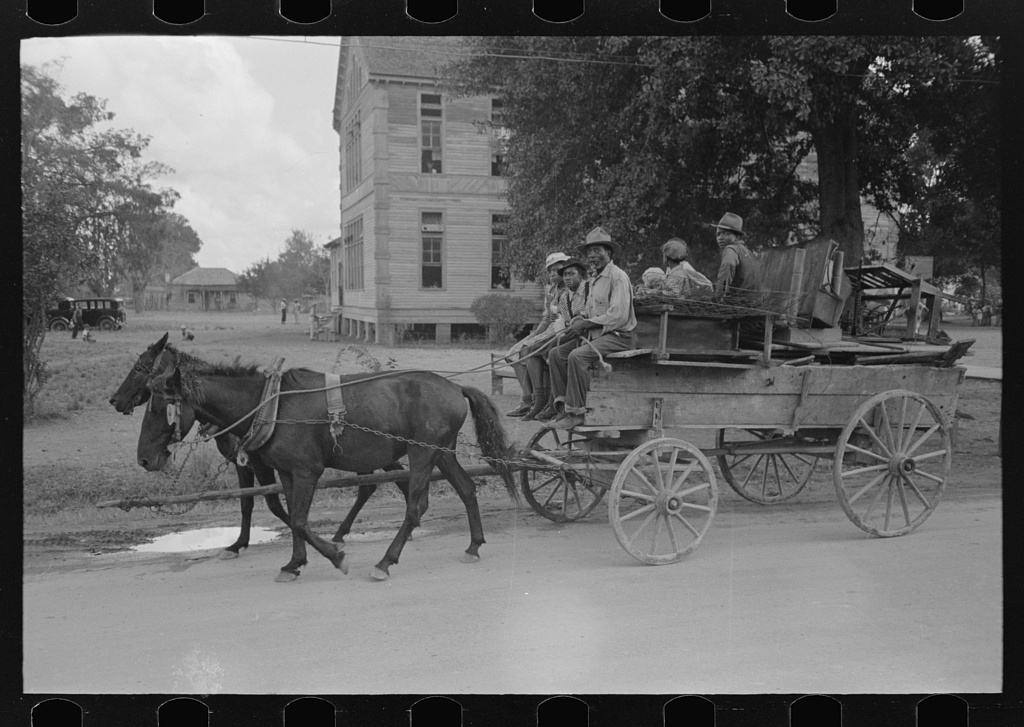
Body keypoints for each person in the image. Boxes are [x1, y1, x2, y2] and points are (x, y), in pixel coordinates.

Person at [548, 226, 637, 430]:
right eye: (589, 252)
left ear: (609, 253)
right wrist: (580, 319)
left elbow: (618, 315)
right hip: (598, 334)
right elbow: (591, 311)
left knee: (577, 356)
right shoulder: (595, 279)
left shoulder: (618, 277)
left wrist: (586, 323)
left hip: (620, 336)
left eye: (597, 251)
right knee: (556, 353)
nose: (592, 256)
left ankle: (576, 412)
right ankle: (563, 406)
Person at [522, 257, 592, 422]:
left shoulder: (589, 289)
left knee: (551, 350)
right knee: (546, 350)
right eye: (565, 274)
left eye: (571, 274)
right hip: (568, 334)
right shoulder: (563, 296)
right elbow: (564, 321)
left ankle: (554, 403)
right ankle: (554, 402)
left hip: (589, 334)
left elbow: (591, 313)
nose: (567, 278)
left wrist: (578, 320)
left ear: (581, 275)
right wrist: (557, 318)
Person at [504, 252, 571, 417]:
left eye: (556, 270)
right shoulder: (552, 291)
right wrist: (532, 335)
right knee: (512, 354)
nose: (552, 274)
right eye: (550, 271)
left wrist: (532, 340)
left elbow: (565, 318)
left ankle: (537, 400)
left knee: (528, 349)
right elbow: (547, 319)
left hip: (561, 331)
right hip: (549, 329)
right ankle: (527, 400)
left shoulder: (570, 289)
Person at [711, 213, 760, 295]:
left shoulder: (731, 249)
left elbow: (728, 266)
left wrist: (718, 296)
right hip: (754, 300)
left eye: (726, 233)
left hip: (737, 301)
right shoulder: (748, 252)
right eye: (718, 234)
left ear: (737, 236)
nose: (720, 238)